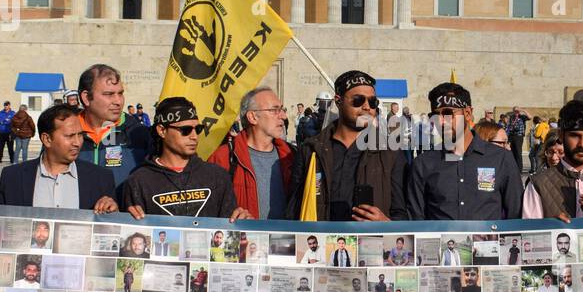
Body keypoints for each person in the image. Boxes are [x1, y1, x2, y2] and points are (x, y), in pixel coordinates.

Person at [287, 70, 406, 221]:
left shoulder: (391, 152)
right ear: (338, 101)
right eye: (358, 100)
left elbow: (402, 212)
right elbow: (293, 208)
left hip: (371, 242)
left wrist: (386, 224)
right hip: (320, 241)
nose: (366, 107)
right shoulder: (311, 150)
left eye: (372, 101)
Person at [409, 83, 522, 221]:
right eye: (435, 115)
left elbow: (516, 217)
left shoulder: (501, 158)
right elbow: (416, 221)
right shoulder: (422, 164)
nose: (441, 121)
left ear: (467, 113)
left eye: (448, 113)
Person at [119, 97, 246, 221]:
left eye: (198, 129)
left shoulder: (218, 176)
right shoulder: (138, 181)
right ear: (162, 130)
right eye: (185, 130)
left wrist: (244, 223)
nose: (194, 136)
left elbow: (230, 230)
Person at [0, 104, 120, 212]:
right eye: (70, 136)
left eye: (80, 135)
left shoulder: (101, 179)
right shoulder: (12, 178)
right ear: (47, 139)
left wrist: (113, 212)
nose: (77, 142)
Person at [209, 88, 294, 220]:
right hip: (245, 239)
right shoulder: (224, 158)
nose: (283, 116)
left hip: (286, 239)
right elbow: (209, 211)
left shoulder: (292, 156)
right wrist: (231, 216)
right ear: (253, 117)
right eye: (274, 110)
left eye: (282, 109)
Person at [76, 64, 149, 188]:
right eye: (109, 94)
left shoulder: (139, 134)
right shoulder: (63, 134)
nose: (118, 101)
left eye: (120, 93)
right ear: (86, 97)